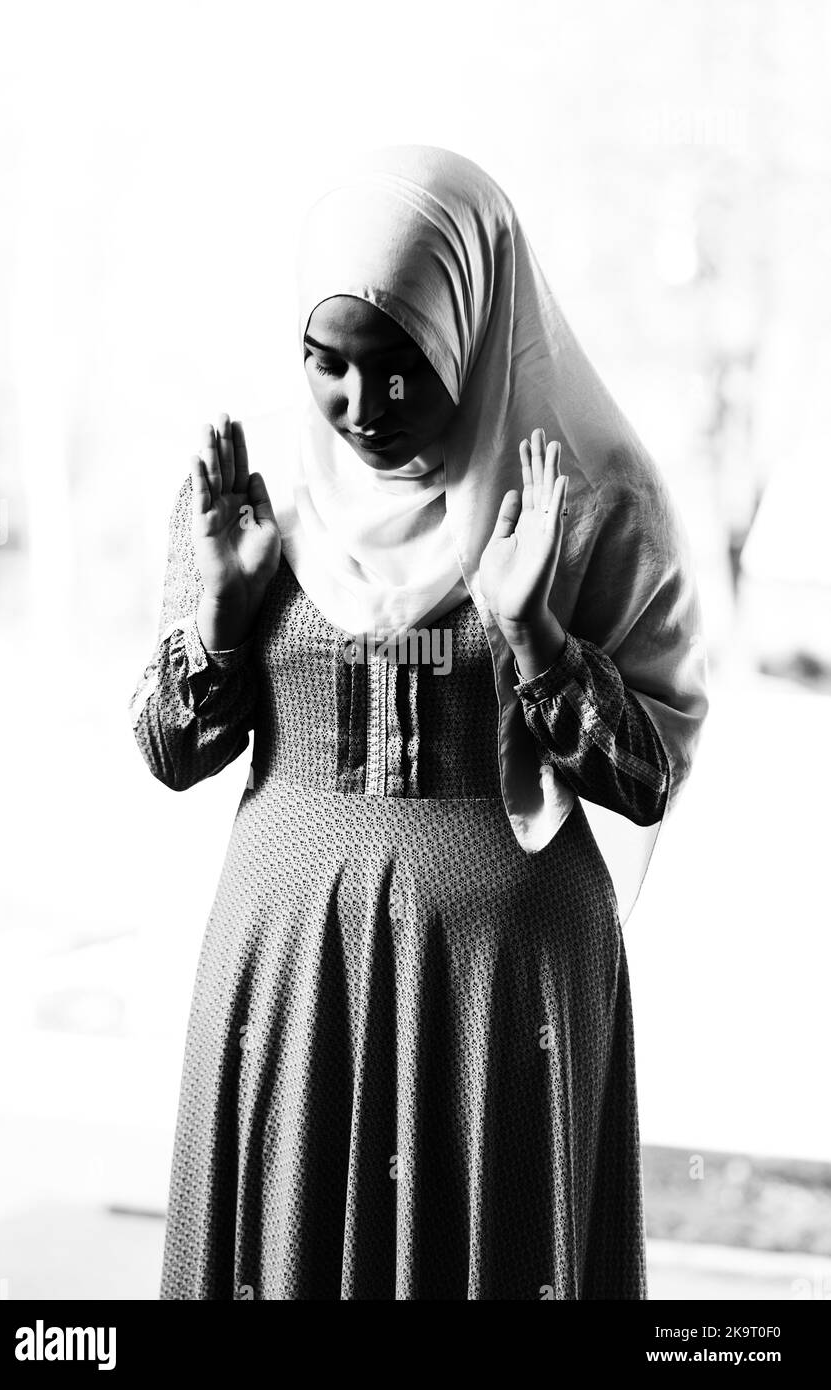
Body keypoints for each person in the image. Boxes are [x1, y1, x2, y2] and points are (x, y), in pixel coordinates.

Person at [129, 145, 708, 1301]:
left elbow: (649, 778)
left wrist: (537, 639)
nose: (359, 407)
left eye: (399, 369)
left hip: (503, 991)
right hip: (287, 972)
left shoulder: (588, 495)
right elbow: (170, 752)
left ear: (476, 335)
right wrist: (225, 616)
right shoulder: (257, 494)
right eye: (327, 367)